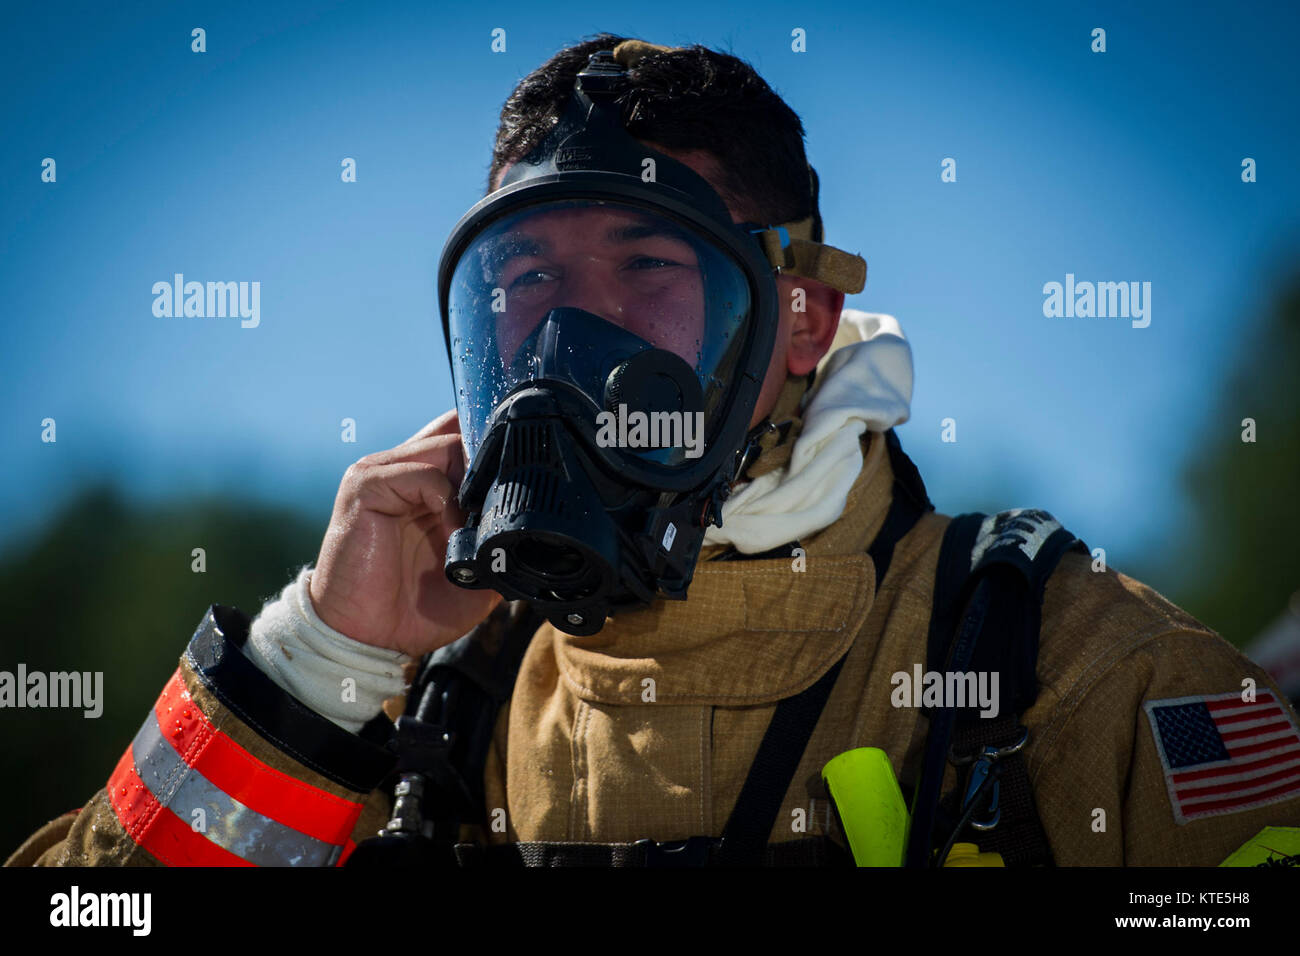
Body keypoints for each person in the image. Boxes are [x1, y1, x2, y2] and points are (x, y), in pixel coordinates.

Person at [8, 35, 1300, 869]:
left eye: (648, 270)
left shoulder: (1066, 665)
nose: (575, 338)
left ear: (798, 322)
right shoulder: (403, 691)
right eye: (525, 282)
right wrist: (315, 660)